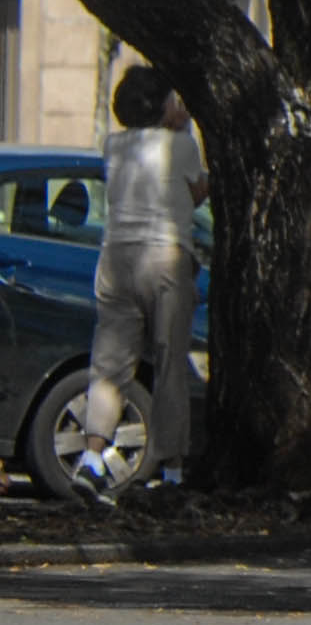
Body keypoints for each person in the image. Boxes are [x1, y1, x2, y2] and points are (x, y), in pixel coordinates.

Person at [88, 66, 207, 491]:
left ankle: (92, 454)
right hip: (165, 256)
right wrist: (185, 123)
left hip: (116, 256)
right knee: (170, 363)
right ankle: (171, 469)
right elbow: (197, 193)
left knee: (109, 365)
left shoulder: (113, 145)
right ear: (161, 106)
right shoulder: (181, 146)